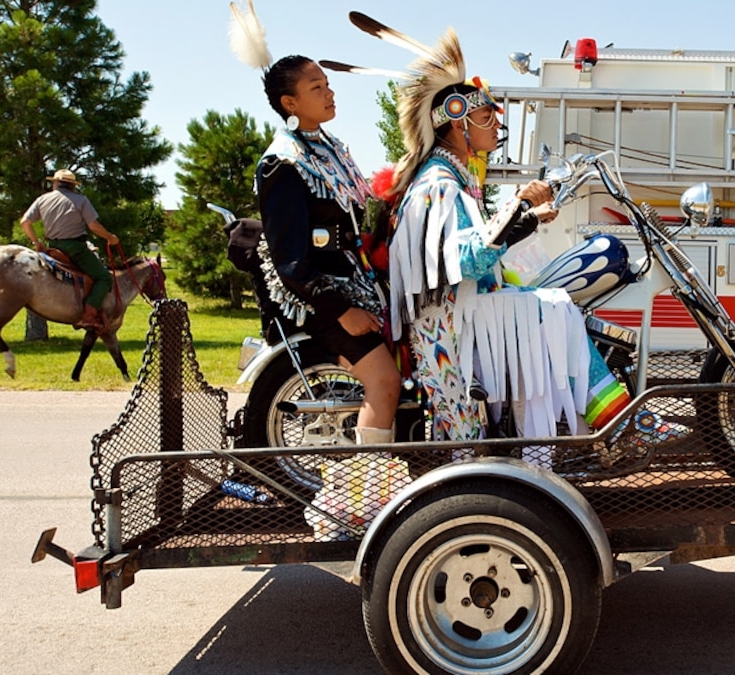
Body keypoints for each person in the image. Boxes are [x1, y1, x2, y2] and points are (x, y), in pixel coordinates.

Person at [383, 28, 685, 461]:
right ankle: (620, 425)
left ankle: (591, 435)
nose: (496, 125)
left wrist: (521, 218)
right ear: (457, 120)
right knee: (557, 309)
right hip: (455, 327)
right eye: (486, 117)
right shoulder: (439, 183)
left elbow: (477, 251)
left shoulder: (454, 179)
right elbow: (462, 259)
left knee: (555, 314)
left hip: (468, 318)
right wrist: (517, 209)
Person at [229, 3, 400, 448]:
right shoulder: (282, 164)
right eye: (316, 86)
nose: (329, 93)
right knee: (384, 384)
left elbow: (362, 207)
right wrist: (343, 311)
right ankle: (369, 496)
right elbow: (291, 262)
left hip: (356, 283)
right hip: (320, 299)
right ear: (290, 103)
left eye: (328, 84)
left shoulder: (330, 148)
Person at [19, 169, 120, 331]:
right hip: (75, 248)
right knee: (104, 277)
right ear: (72, 186)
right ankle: (88, 314)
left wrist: (36, 242)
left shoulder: (42, 199)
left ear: (56, 183)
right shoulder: (81, 200)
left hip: (53, 248)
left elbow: (25, 222)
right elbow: (93, 226)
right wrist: (110, 238)